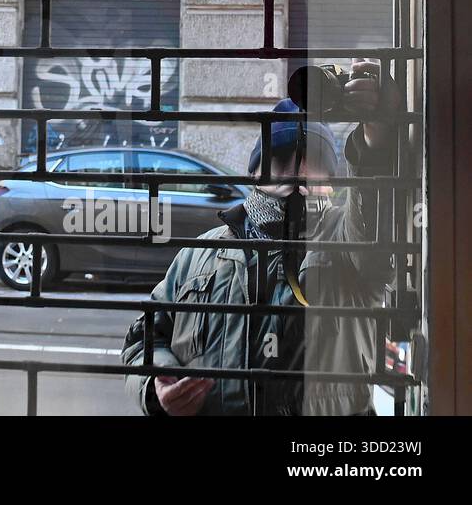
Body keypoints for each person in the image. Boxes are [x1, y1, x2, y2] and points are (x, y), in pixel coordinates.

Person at [122, 60, 397, 416]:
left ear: (332, 181)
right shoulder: (198, 255)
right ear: (254, 172)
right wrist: (157, 385)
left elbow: (373, 224)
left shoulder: (347, 245)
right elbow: (144, 338)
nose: (297, 172)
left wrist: (375, 134)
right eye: (281, 158)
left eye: (312, 160)